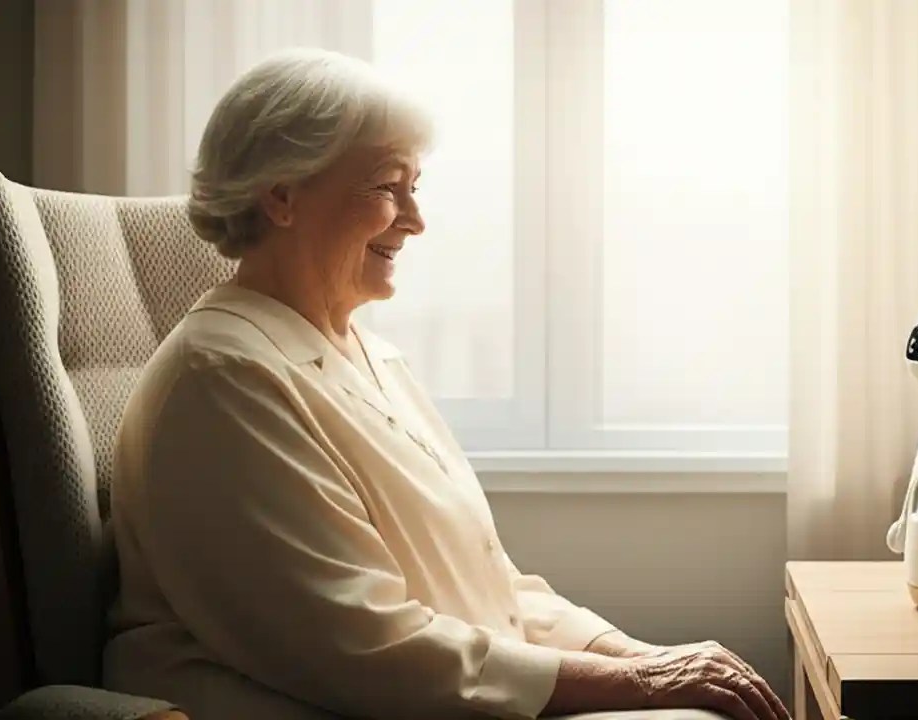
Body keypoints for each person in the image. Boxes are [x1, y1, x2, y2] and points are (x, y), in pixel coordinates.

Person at [103, 48, 788, 720]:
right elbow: (363, 646)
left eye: (415, 187)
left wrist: (638, 657)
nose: (415, 218)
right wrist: (638, 683)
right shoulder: (223, 378)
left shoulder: (370, 356)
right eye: (384, 186)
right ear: (282, 195)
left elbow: (496, 591)